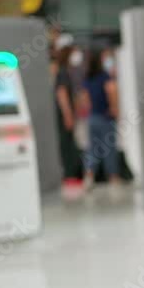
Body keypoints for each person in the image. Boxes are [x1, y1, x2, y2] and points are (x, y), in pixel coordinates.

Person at [80, 48, 121, 189]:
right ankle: (113, 177)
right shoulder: (105, 77)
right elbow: (112, 91)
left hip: (93, 117)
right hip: (105, 117)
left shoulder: (87, 78)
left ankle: (89, 176)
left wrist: (91, 110)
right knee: (109, 147)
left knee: (93, 148)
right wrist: (114, 108)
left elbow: (84, 100)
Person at [52, 45, 85, 195]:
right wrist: (68, 115)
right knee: (66, 144)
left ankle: (72, 174)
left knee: (70, 142)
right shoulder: (63, 73)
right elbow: (62, 94)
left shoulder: (66, 72)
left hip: (67, 115)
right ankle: (70, 175)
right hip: (65, 115)